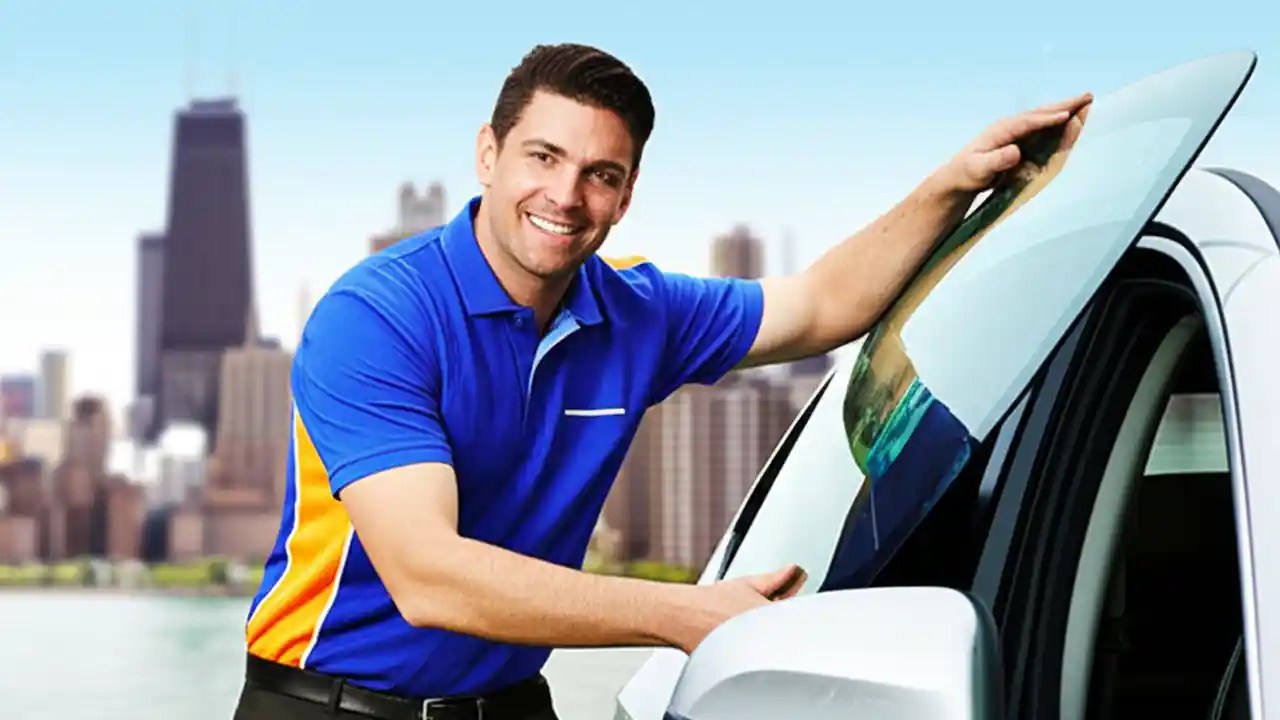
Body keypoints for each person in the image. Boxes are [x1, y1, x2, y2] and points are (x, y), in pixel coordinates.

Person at [232, 42, 1091, 720]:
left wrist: (953, 184)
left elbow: (824, 304)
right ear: (488, 154)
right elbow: (428, 576)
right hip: (331, 707)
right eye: (542, 157)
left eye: (600, 175)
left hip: (512, 706)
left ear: (627, 193)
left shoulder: (638, 310)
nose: (565, 195)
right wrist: (685, 616)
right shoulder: (378, 316)